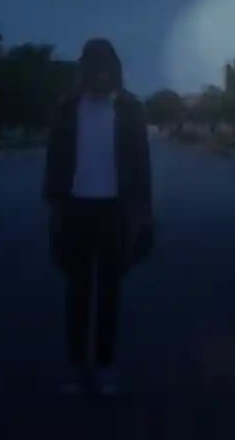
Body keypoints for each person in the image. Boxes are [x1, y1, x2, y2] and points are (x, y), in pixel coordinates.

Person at [42, 38, 154, 396]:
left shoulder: (130, 109)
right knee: (76, 293)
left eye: (106, 69)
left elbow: (141, 165)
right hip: (74, 209)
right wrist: (55, 205)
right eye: (94, 69)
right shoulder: (67, 108)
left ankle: (104, 366)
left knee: (109, 293)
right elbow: (55, 158)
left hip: (114, 211)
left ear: (115, 70)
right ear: (85, 71)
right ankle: (78, 368)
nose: (101, 76)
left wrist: (143, 213)